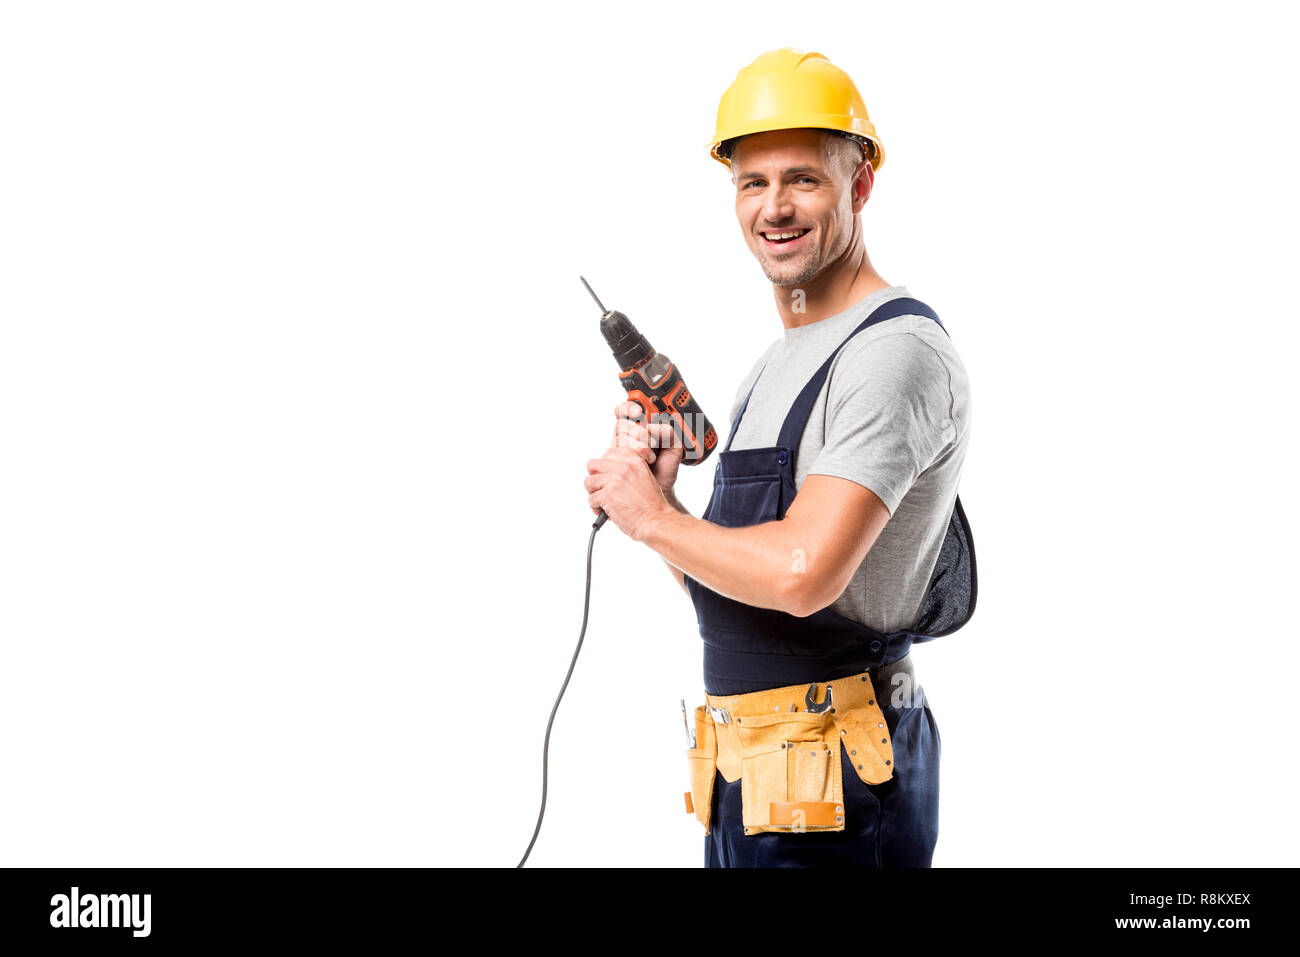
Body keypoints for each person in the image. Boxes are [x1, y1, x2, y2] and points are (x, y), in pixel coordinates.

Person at [583, 47, 977, 867]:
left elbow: (803, 573)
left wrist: (653, 516)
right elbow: (745, 597)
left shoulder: (892, 352)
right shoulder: (777, 360)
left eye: (804, 178)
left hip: (839, 776)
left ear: (861, 183)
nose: (774, 207)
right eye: (751, 182)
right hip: (758, 770)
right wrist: (665, 521)